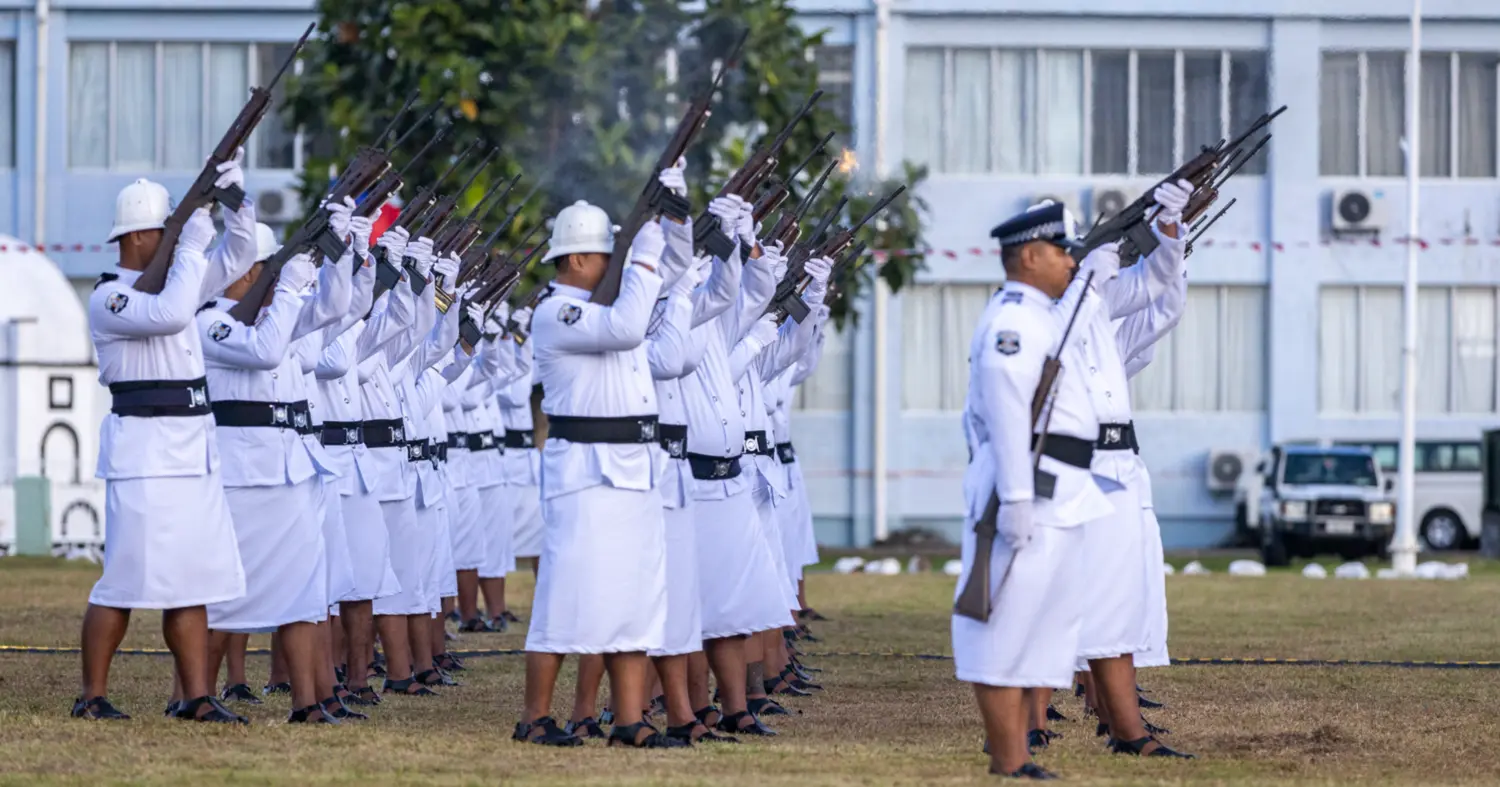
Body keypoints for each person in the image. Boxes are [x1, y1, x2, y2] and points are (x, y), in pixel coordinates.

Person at [74, 152, 257, 722]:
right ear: (139, 237)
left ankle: (196, 697)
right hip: (145, 456)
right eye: (166, 229)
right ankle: (92, 695)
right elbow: (173, 313)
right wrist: (193, 236)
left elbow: (240, 257)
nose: (173, 241)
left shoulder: (177, 272)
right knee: (124, 582)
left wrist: (236, 202)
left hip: (191, 449)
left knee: (193, 580)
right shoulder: (110, 296)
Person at [512, 200, 689, 748]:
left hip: (634, 471)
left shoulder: (603, 313)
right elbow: (629, 325)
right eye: (609, 256)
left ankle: (630, 720)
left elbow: (665, 348)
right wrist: (644, 257)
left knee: (633, 603)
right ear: (580, 259)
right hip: (585, 477)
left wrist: (670, 235)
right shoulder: (559, 313)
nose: (615, 265)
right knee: (566, 600)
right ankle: (535, 718)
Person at [951, 201, 1115, 778]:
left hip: (1061, 490)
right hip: (1028, 494)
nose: (1071, 261)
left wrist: (1096, 284)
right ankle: (1009, 760)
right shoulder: (1014, 322)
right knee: (1001, 633)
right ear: (1030, 255)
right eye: (1063, 251)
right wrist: (1017, 499)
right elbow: (1006, 407)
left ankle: (1018, 754)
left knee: (1042, 636)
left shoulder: (1040, 314)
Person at [1066, 182, 1194, 760]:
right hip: (1074, 471)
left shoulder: (1094, 309)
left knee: (1116, 605)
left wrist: (1169, 235)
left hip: (1118, 466)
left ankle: (1126, 730)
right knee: (1064, 605)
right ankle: (1033, 729)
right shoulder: (1044, 314)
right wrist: (1094, 273)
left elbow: (1158, 293)